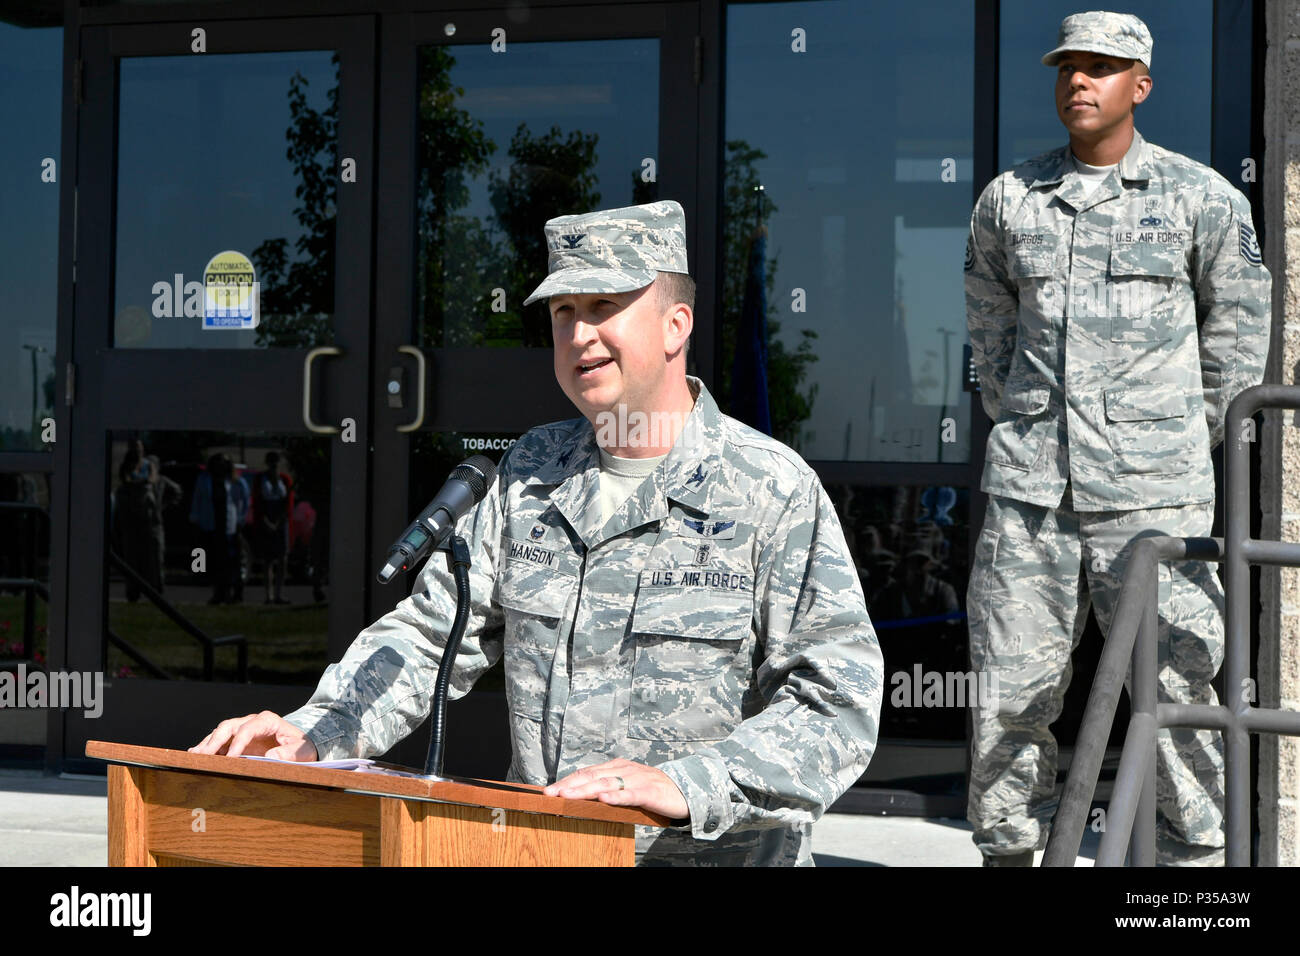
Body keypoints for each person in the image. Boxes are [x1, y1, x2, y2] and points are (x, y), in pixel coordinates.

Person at [191, 199, 883, 866]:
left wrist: (690, 783)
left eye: (604, 308)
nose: (579, 335)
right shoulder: (529, 474)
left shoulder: (772, 490)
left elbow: (837, 706)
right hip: (541, 852)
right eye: (562, 313)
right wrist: (315, 730)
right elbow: (434, 636)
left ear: (676, 326)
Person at [964, 12, 1271, 866]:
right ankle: (1011, 856)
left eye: (1101, 68)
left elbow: (1239, 340)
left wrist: (1168, 437)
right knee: (1007, 696)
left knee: (1171, 688)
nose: (1079, 82)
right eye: (1068, 67)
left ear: (1140, 84)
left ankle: (1195, 873)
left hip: (1154, 499)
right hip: (1031, 496)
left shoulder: (1200, 198)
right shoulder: (1011, 199)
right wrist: (1023, 418)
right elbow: (990, 328)